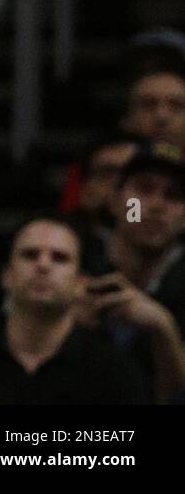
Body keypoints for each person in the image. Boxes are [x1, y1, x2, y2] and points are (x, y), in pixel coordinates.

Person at [0, 217, 148, 404]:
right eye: (30, 254)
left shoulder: (113, 374)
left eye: (59, 258)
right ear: (6, 275)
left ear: (81, 283)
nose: (43, 265)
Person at [80, 141, 185, 402]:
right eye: (144, 189)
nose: (157, 205)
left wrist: (163, 328)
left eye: (173, 195)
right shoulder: (73, 262)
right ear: (115, 201)